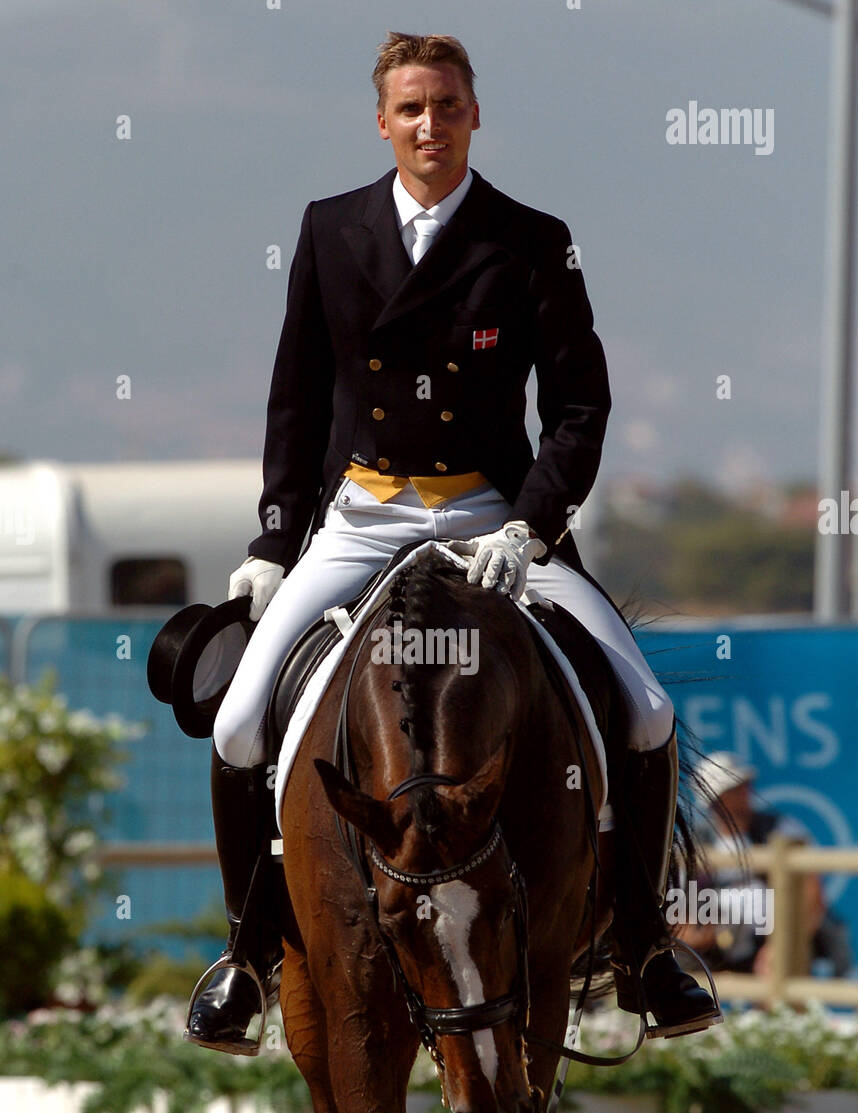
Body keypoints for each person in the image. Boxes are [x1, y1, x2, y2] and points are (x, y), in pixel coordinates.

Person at [186, 31, 721, 1053]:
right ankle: (247, 957)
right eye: (411, 109)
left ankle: (646, 950)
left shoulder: (529, 237)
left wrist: (533, 521)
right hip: (363, 513)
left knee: (645, 710)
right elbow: (297, 395)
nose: (430, 125)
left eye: (447, 105)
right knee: (241, 722)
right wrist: (271, 537)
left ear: (474, 115)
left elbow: (577, 404)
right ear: (382, 122)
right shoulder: (330, 229)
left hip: (487, 519)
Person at [683, 752, 841, 975]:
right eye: (735, 788)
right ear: (716, 799)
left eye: (744, 784)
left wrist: (781, 945)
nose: (745, 791)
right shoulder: (696, 840)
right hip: (716, 945)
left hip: (772, 940)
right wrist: (690, 933)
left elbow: (812, 894)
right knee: (679, 963)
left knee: (779, 967)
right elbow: (679, 905)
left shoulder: (782, 829)